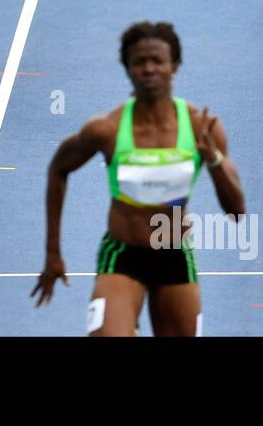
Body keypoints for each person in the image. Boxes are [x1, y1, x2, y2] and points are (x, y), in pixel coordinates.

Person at [31, 22, 245, 336]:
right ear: (128, 69)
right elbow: (59, 169)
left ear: (174, 66)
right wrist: (52, 253)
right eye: (139, 62)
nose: (148, 69)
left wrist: (212, 158)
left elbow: (237, 211)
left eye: (157, 61)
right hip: (122, 255)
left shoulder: (202, 128)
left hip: (174, 256)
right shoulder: (107, 130)